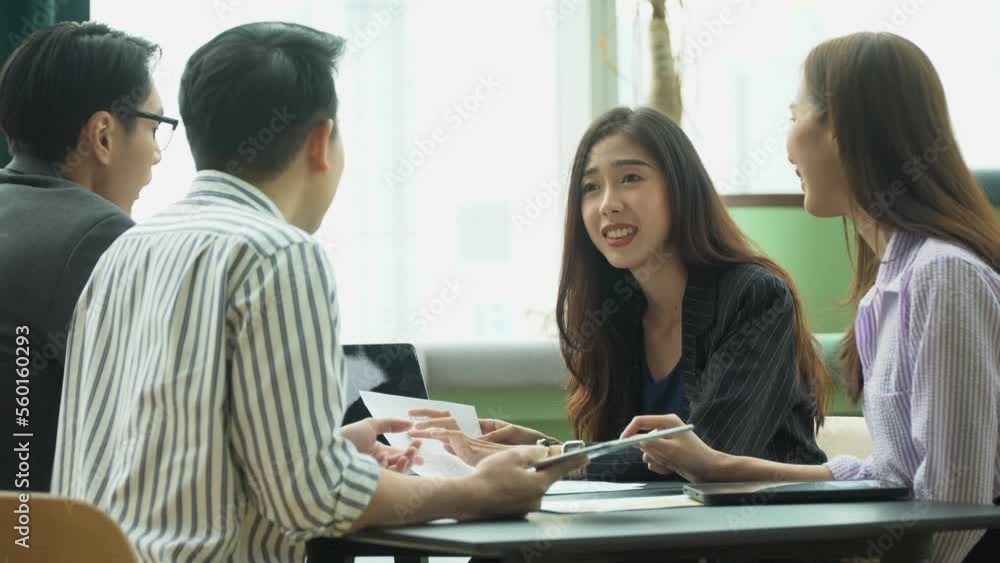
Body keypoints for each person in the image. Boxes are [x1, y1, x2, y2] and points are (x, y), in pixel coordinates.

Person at [50, 22, 582, 563]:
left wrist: (327, 451)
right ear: (321, 141)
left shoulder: (126, 251)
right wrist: (472, 492)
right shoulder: (279, 254)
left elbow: (151, 463)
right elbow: (310, 500)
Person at [622, 32, 1000, 563]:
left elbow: (956, 509)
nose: (787, 144)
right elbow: (887, 478)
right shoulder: (890, 286)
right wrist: (717, 465)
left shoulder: (944, 276)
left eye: (795, 114)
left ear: (841, 129)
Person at [410, 106, 831, 481]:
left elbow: (706, 456)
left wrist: (545, 456)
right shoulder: (616, 313)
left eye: (630, 178)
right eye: (591, 187)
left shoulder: (754, 296)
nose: (608, 203)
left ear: (680, 190)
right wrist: (535, 445)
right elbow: (626, 463)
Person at [0, 22, 170, 492]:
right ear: (103, 135)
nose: (156, 155)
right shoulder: (104, 238)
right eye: (155, 128)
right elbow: (158, 437)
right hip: (38, 539)